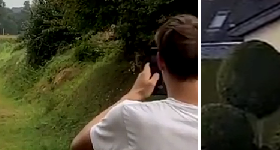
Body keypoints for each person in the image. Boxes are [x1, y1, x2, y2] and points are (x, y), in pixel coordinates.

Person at [70, 14, 199, 150]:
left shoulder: (131, 117)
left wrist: (135, 94)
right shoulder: (212, 121)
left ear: (160, 60)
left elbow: (79, 145)